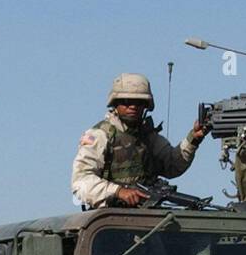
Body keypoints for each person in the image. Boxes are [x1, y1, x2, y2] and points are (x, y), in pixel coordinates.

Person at [71, 72, 209, 209]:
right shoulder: (100, 136)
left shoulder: (149, 138)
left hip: (146, 217)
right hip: (110, 219)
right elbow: (81, 182)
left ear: (146, 106)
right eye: (126, 101)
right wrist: (118, 192)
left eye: (139, 102)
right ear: (115, 104)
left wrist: (193, 139)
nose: (133, 106)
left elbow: (172, 165)